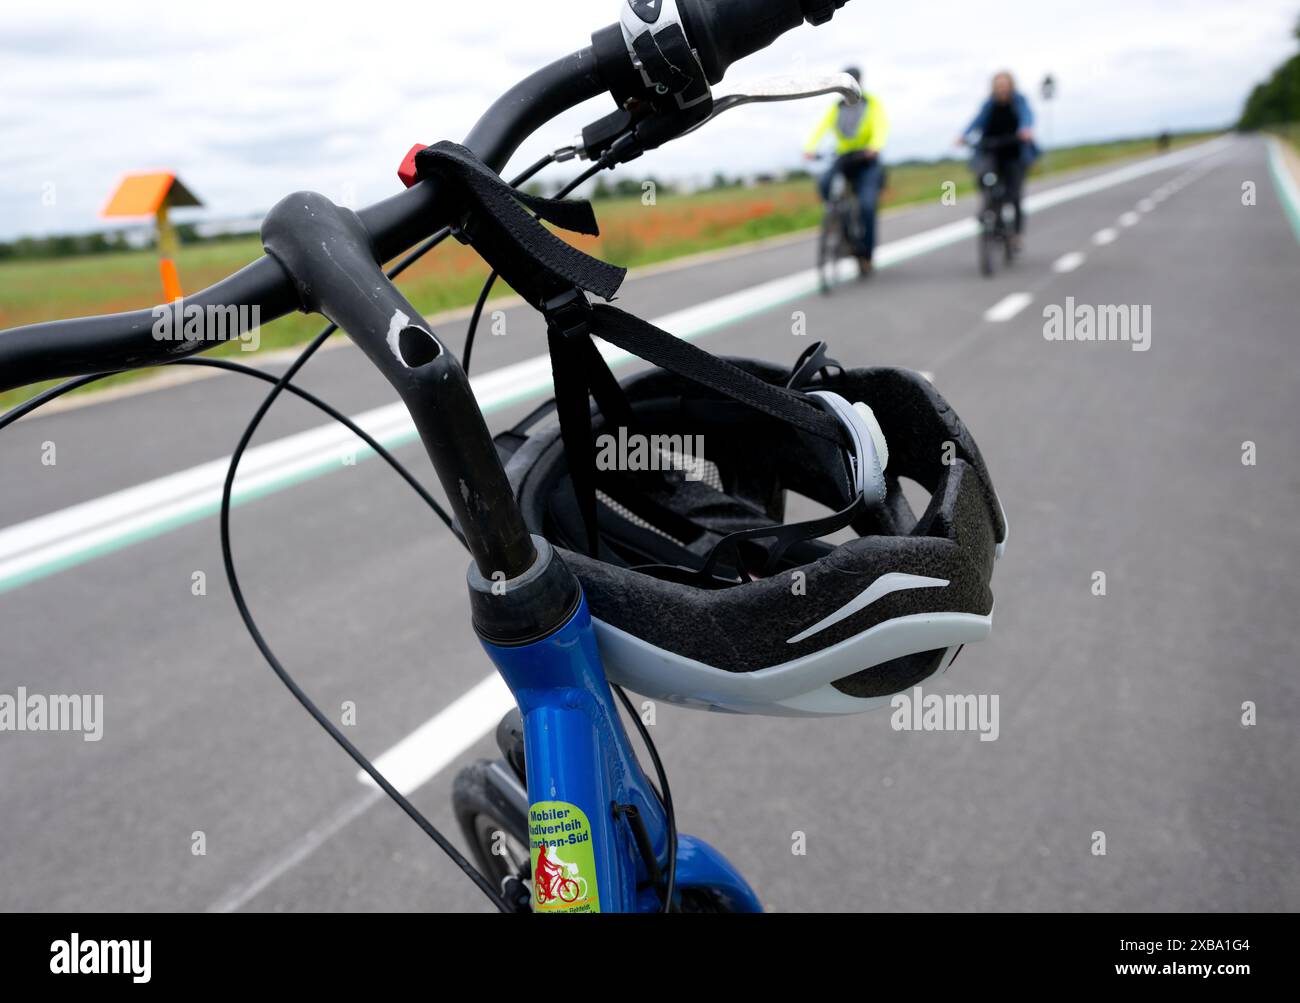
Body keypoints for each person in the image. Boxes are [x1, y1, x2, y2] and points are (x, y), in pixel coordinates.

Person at [803, 66, 889, 276]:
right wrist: (810, 149)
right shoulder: (837, 107)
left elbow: (881, 125)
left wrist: (875, 146)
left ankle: (866, 255)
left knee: (867, 206)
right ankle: (838, 220)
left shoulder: (871, 102)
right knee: (824, 183)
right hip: (844, 159)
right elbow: (821, 127)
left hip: (867, 161)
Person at [957, 71, 1040, 249]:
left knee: (1015, 196)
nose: (1001, 88)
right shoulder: (989, 104)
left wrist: (1026, 130)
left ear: (1011, 85)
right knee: (983, 176)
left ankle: (1016, 234)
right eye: (998, 85)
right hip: (992, 150)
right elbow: (976, 122)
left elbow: (1027, 116)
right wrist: (963, 136)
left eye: (1004, 84)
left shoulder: (1019, 101)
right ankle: (987, 208)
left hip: (1014, 151)